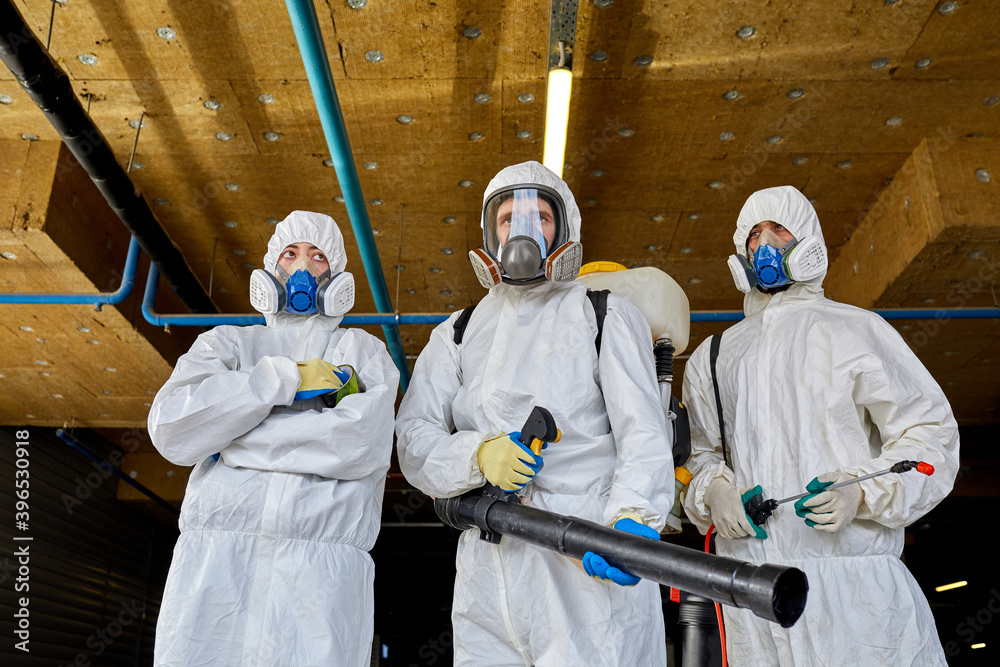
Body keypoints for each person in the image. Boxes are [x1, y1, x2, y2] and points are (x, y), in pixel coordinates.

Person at [395, 161, 674, 666]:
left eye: (541, 218)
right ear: (489, 234)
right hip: (488, 564)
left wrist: (634, 519)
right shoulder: (457, 332)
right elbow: (414, 439)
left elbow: (644, 430)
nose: (523, 232)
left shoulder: (602, 312)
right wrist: (477, 454)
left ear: (564, 229)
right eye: (508, 221)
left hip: (583, 555)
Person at [682, 185, 959, 665]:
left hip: (857, 591)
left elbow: (931, 437)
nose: (764, 245)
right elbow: (698, 455)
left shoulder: (856, 330)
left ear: (807, 242)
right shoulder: (715, 356)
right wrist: (712, 491)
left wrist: (862, 491)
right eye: (753, 236)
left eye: (779, 230)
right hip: (755, 590)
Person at [148, 210, 399, 667]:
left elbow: (358, 445)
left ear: (337, 274)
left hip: (320, 577)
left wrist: (230, 438)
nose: (302, 268)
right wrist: (281, 380)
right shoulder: (227, 345)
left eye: (318, 256)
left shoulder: (362, 351)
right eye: (290, 253)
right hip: (215, 567)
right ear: (271, 267)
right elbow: (172, 431)